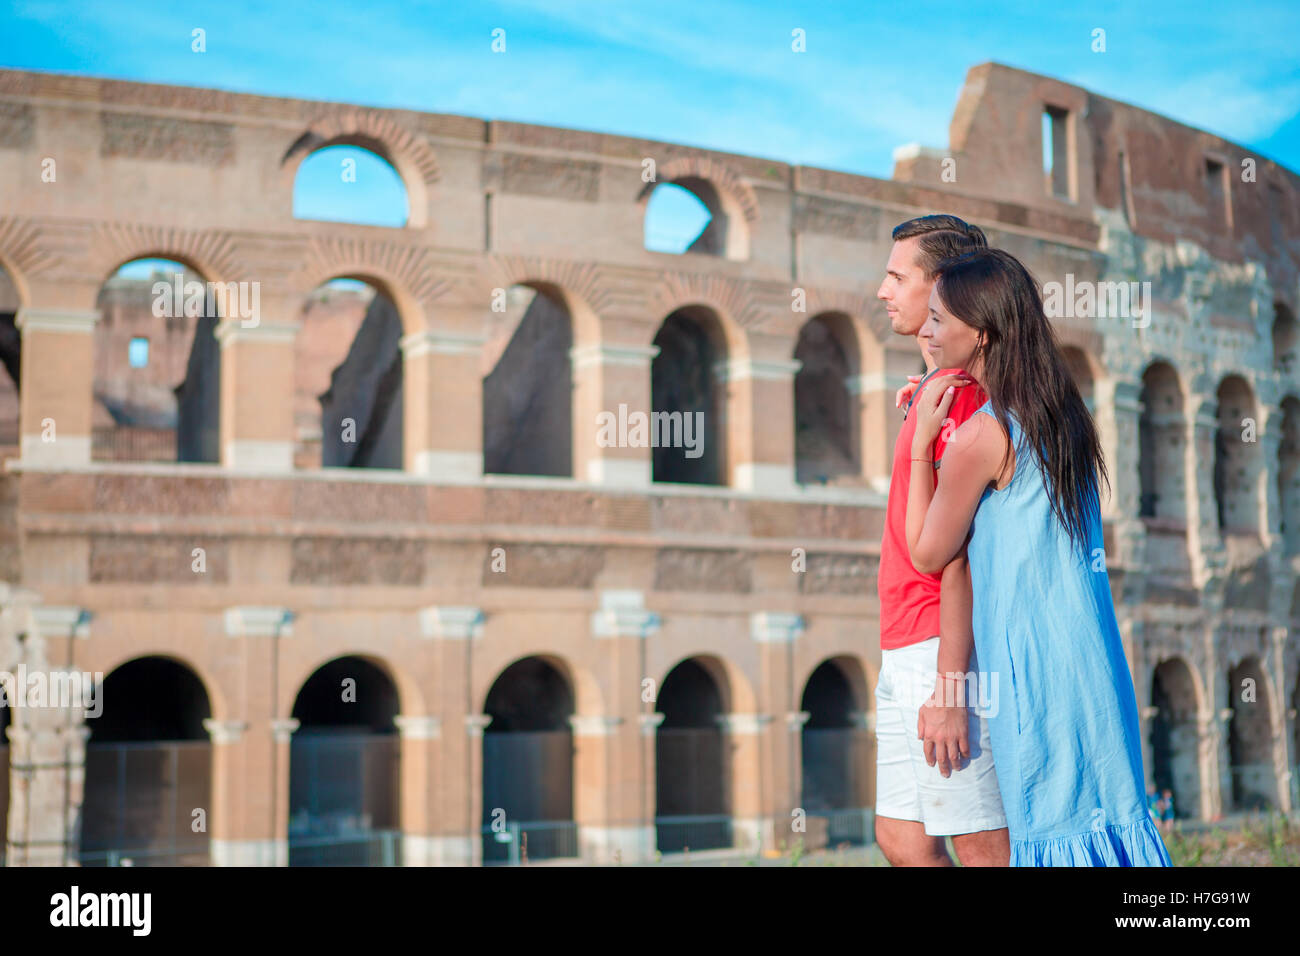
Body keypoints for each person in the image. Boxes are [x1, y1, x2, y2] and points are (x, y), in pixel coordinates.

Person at [904, 247, 1172, 866]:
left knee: (1053, 823)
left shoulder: (983, 436)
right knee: (1110, 818)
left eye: (940, 319)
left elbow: (929, 551)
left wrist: (923, 441)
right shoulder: (1062, 417)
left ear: (984, 332)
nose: (926, 329)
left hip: (1032, 670)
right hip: (1092, 659)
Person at [872, 215, 1010, 866]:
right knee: (900, 839)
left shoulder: (964, 400)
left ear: (944, 288)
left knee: (981, 842)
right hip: (903, 639)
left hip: (941, 648)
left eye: (898, 277)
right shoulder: (932, 391)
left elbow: (957, 557)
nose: (883, 291)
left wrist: (951, 688)